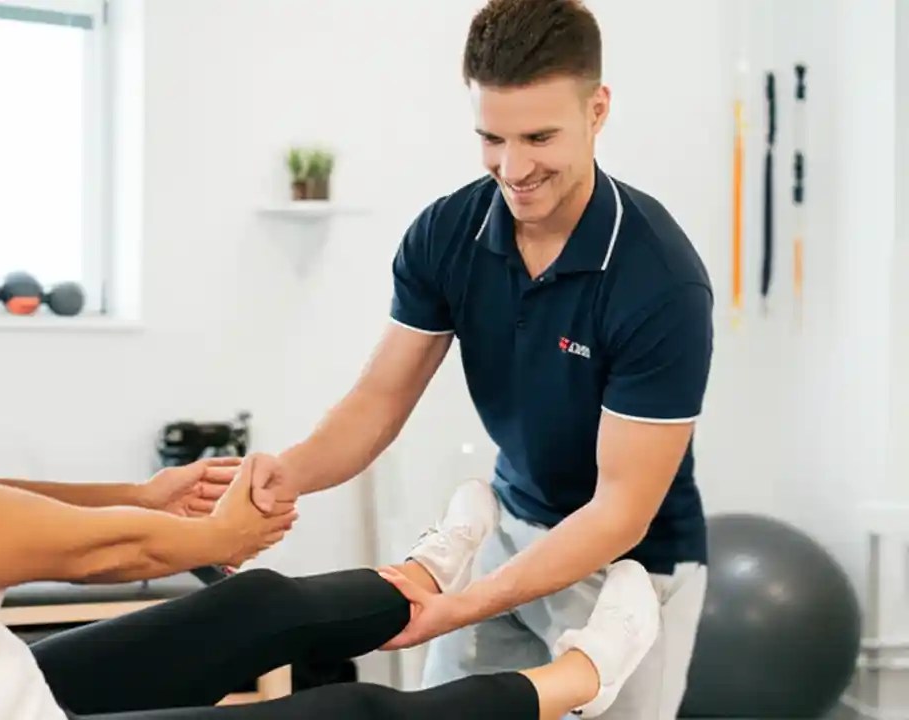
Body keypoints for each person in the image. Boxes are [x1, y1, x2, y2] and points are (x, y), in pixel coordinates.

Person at [0, 147, 662, 719]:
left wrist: (138, 494)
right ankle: (577, 678)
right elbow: (102, 557)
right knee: (341, 717)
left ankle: (419, 576)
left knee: (248, 608)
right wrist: (206, 532)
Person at [244, 0, 715, 716]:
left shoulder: (659, 282)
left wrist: (463, 603)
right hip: (512, 526)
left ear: (597, 111)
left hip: (631, 568)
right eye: (492, 138)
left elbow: (620, 510)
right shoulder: (447, 234)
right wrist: (289, 475)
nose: (513, 168)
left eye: (539, 137)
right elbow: (379, 399)